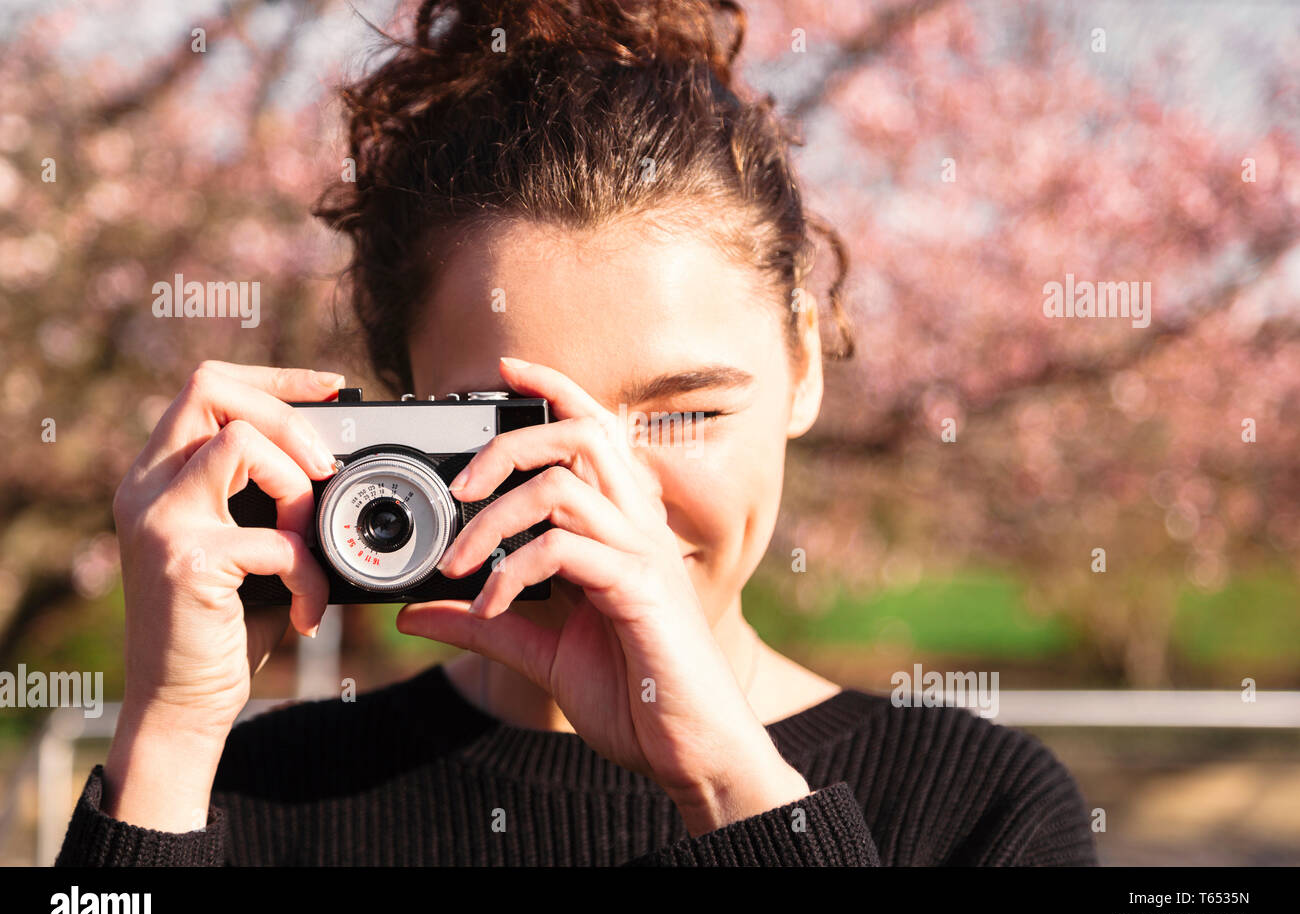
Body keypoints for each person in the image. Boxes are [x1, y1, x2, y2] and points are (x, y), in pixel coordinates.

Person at [56, 0, 1097, 866]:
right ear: (400, 412)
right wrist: (168, 743)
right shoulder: (254, 796)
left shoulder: (980, 810)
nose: (600, 493)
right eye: (518, 429)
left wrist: (735, 787)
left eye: (683, 411)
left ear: (804, 367)